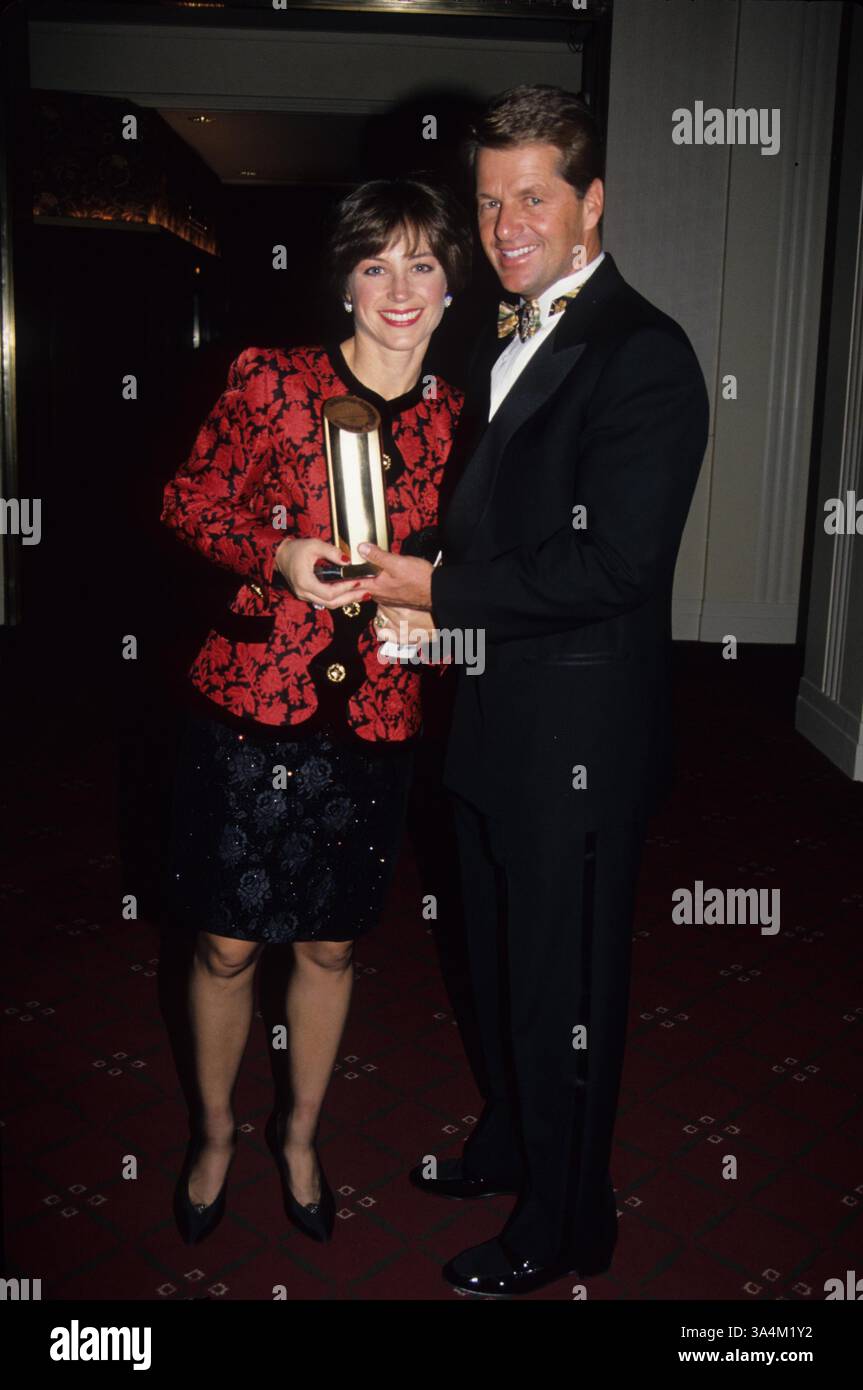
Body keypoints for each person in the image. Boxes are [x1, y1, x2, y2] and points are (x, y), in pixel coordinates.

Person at [364, 85, 710, 1295]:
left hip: (579, 736)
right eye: (489, 200)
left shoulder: (645, 354)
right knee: (499, 955)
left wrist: (439, 587)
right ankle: (510, 1141)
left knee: (565, 986)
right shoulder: (496, 337)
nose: (507, 221)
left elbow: (614, 562)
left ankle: (568, 1222)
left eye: (533, 196)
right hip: (489, 720)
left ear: (591, 201)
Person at [160, 176, 469, 1246]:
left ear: (450, 285)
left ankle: (298, 1134)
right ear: (342, 276)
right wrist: (276, 554)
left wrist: (443, 616)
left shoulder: (465, 420)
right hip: (250, 708)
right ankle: (212, 1134)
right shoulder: (270, 381)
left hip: (376, 718)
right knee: (227, 947)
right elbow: (187, 500)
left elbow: (485, 571)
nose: (398, 286)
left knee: (331, 950)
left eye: (422, 263)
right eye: (375, 262)